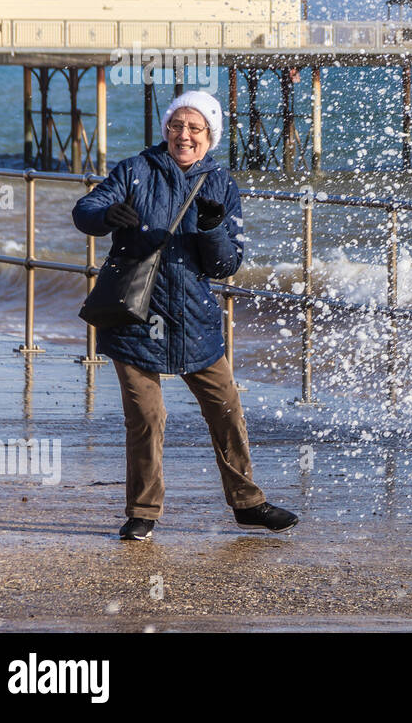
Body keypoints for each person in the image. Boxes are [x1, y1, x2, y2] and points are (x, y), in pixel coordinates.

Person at [72, 90, 298, 541]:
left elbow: (226, 264)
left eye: (195, 128)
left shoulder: (220, 182)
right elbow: (86, 210)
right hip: (134, 316)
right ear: (167, 130)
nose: (184, 135)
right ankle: (142, 512)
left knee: (227, 410)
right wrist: (106, 216)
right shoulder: (137, 170)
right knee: (147, 418)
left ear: (210, 136)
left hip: (194, 319)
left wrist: (213, 228)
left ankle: (248, 505)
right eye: (177, 125)